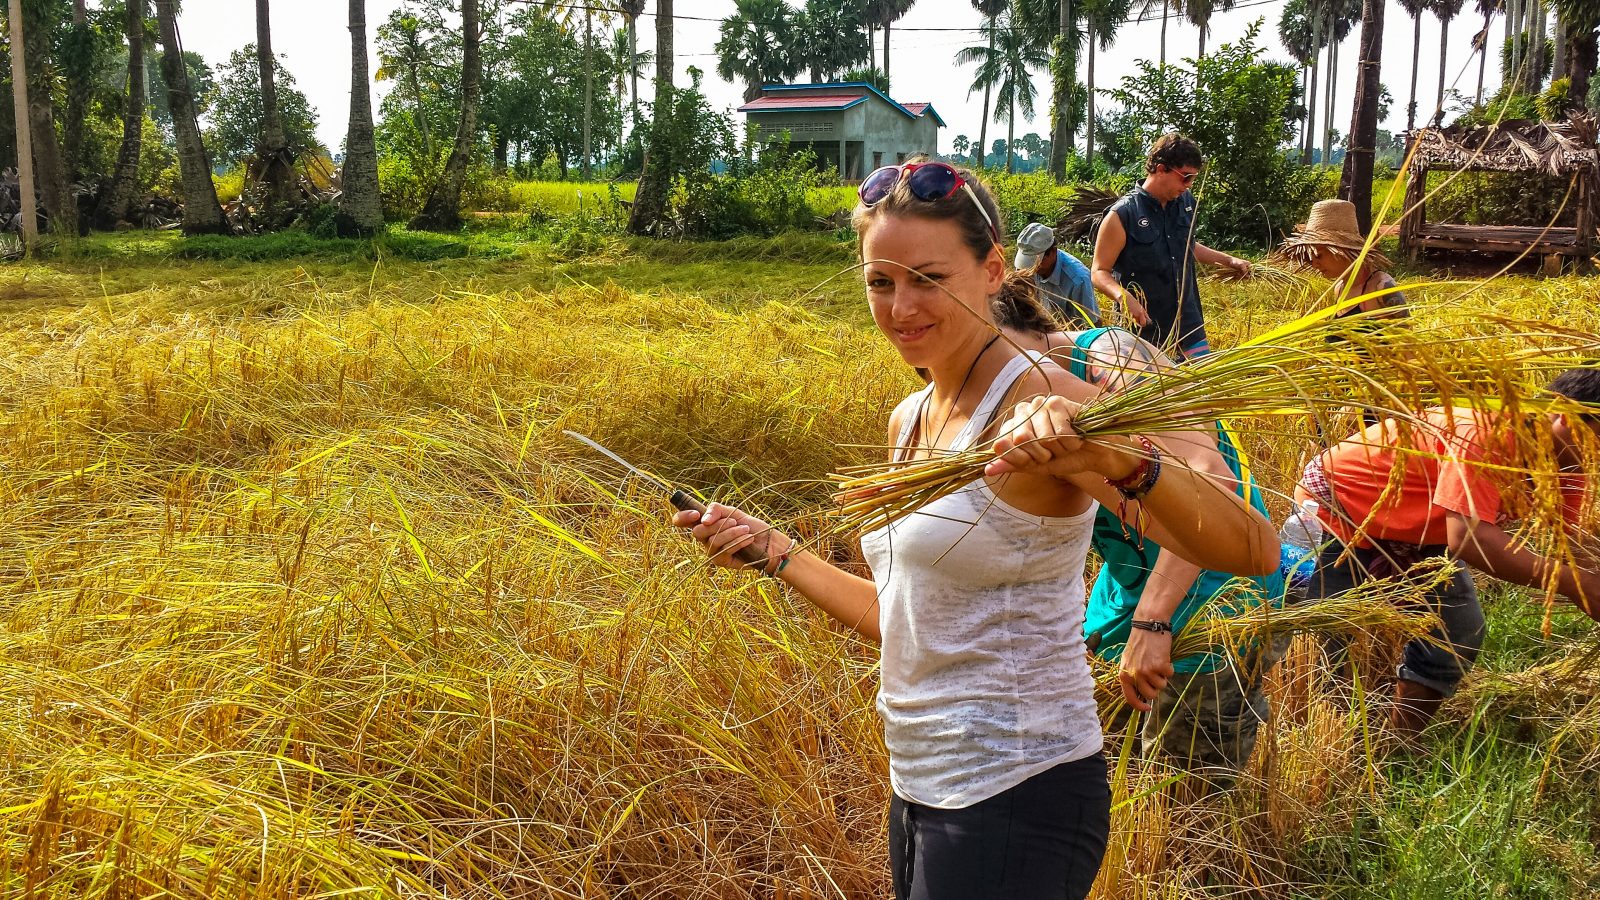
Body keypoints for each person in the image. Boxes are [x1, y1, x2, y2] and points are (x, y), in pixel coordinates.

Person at [672, 160, 1278, 900]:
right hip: (922, 783)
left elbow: (1252, 547)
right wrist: (777, 554)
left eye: (927, 278)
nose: (900, 307)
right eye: (880, 282)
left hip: (1018, 784)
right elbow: (908, 620)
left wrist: (1111, 455)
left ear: (993, 270)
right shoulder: (909, 417)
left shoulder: (1042, 393)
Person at [992, 295, 1286, 779]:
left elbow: (1207, 479)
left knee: (1188, 783)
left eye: (994, 358)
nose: (995, 383)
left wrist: (1153, 621)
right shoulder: (1014, 408)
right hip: (1129, 590)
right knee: (1124, 765)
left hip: (1212, 597)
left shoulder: (1112, 358)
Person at [1298, 369, 1600, 738]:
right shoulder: (1488, 432)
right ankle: (1322, 744)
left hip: (1419, 530)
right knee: (1324, 638)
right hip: (1343, 510)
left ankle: (1398, 741)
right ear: (1562, 415)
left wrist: (1590, 584)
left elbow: (1575, 542)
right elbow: (1469, 538)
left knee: (1457, 633)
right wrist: (1574, 583)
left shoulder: (1569, 461)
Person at [1091, 133, 1253, 361]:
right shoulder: (1123, 215)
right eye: (1185, 177)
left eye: (1193, 179)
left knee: (1199, 384)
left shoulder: (1186, 204)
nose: (1188, 186)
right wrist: (1123, 296)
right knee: (1154, 392)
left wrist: (1229, 260)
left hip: (1188, 321)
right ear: (1160, 169)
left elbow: (1187, 247)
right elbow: (1099, 271)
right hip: (1142, 326)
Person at [1279, 198, 1408, 320]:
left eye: (1319, 255)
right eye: (1310, 257)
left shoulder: (1381, 286)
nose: (1314, 264)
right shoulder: (1339, 288)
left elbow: (1407, 335)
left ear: (1342, 251)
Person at [1015, 221, 1100, 328]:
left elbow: (1092, 324)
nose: (1031, 269)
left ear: (1052, 252)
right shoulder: (1025, 268)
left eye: (1035, 262)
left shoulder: (1078, 280)